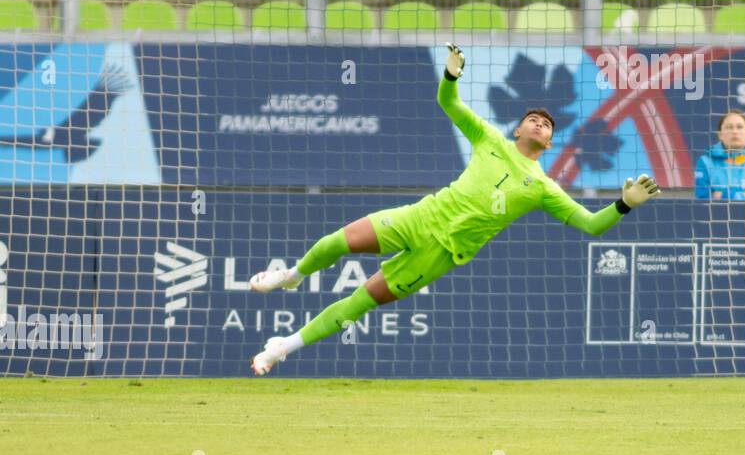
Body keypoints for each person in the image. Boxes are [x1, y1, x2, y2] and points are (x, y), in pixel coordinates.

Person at [247, 43, 661, 375]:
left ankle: (282, 348)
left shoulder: (543, 188)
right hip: (422, 217)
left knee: (357, 305)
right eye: (533, 119)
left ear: (549, 142)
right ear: (518, 129)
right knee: (337, 241)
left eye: (547, 124)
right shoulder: (488, 138)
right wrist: (450, 74)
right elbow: (449, 102)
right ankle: (292, 276)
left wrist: (624, 204)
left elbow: (591, 225)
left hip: (442, 254)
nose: (540, 123)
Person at [694, 110, 745, 201]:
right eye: (729, 127)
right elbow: (703, 196)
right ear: (720, 135)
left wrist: (723, 195)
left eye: (739, 127)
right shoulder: (705, 162)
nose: (734, 131)